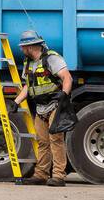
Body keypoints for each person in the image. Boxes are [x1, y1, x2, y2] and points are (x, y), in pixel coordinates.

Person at [12, 30, 74, 186]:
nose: (21, 50)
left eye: (23, 47)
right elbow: (28, 85)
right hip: (40, 107)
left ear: (31, 47)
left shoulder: (51, 58)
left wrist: (64, 95)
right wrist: (16, 101)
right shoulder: (28, 63)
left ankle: (59, 176)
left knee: (56, 140)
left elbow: (67, 77)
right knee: (42, 142)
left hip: (54, 105)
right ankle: (41, 175)